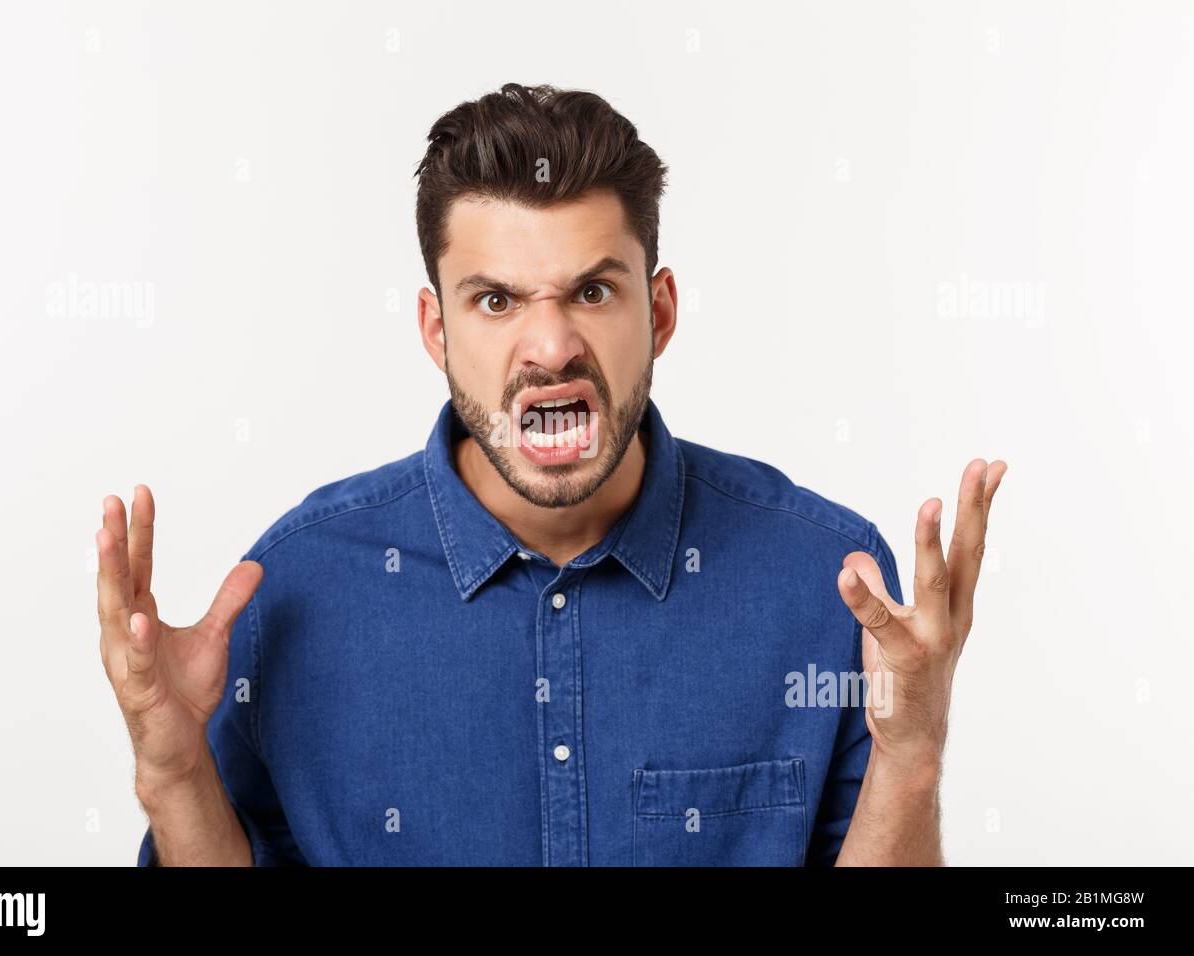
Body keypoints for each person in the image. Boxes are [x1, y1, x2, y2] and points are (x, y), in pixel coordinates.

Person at [96, 83, 1006, 866]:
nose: (552, 345)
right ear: (435, 330)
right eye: (496, 301)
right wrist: (174, 773)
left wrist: (914, 754)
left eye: (593, 291)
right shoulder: (297, 588)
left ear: (659, 310)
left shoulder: (829, 585)